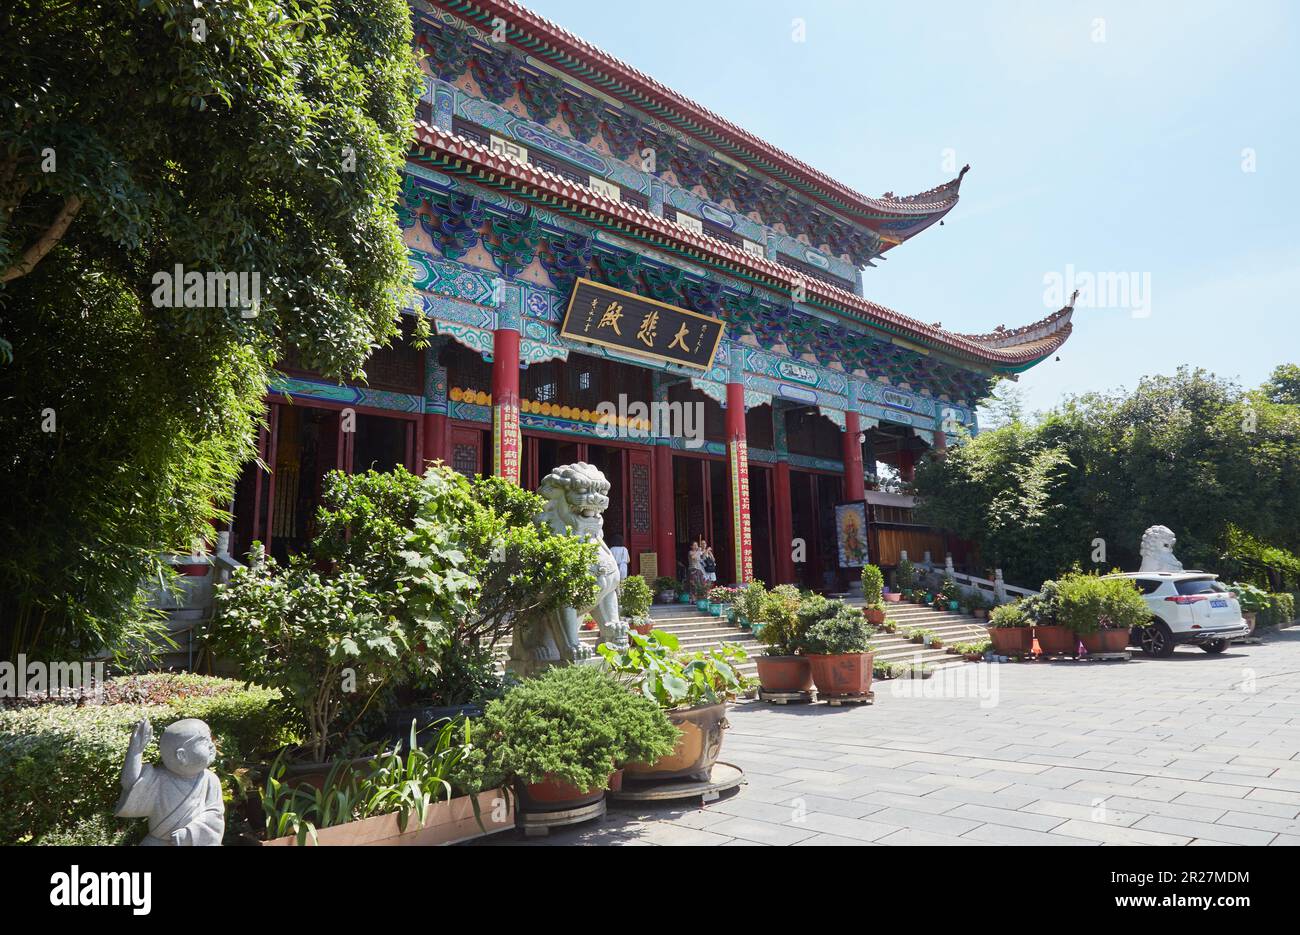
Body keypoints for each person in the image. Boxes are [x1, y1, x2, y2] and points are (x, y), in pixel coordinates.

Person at [115, 718, 225, 846]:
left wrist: (189, 834)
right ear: (182, 756)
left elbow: (215, 814)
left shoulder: (210, 779)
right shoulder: (159, 779)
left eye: (209, 740)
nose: (211, 746)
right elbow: (130, 784)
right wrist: (136, 750)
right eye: (204, 741)